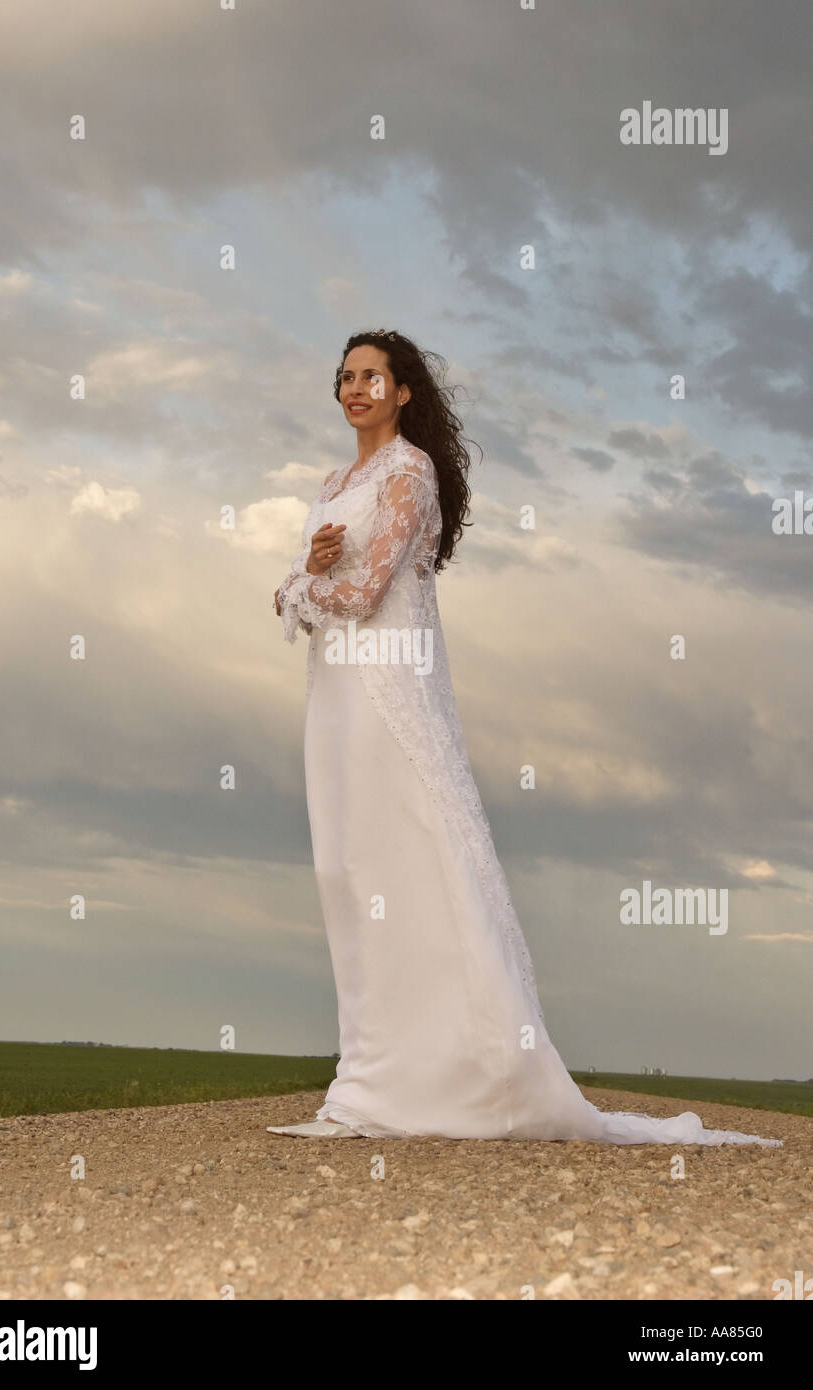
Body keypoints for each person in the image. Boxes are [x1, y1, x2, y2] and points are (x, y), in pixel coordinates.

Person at [269, 328, 781, 1149]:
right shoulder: (336, 482)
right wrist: (306, 571)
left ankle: (459, 1080)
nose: (354, 387)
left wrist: (313, 577)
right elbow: (295, 591)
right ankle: (368, 1080)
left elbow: (363, 593)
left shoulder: (409, 471)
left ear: (403, 392)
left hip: (386, 690)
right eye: (344, 376)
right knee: (345, 866)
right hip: (332, 692)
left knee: (403, 862)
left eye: (372, 375)